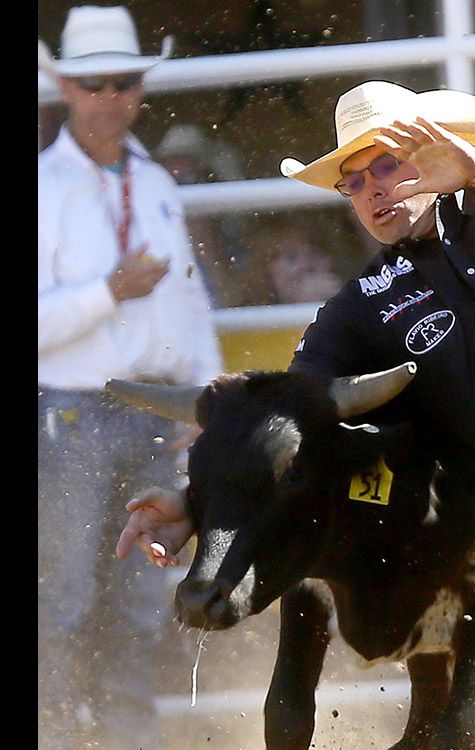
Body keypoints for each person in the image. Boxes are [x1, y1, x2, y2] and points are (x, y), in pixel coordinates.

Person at [116, 79, 475, 573]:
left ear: (433, 149)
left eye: (386, 165)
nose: (370, 191)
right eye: (351, 184)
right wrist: (195, 500)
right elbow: (288, 412)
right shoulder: (361, 306)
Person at [38, 6, 225, 748]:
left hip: (147, 418)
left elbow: (185, 298)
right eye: (95, 82)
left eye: (124, 81)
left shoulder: (151, 181)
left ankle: (123, 740)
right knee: (66, 597)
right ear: (68, 88)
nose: (110, 95)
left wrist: (205, 395)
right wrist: (108, 293)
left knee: (140, 603)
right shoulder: (44, 189)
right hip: (70, 416)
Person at [154, 123, 254, 307]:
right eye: (176, 178)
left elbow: (232, 303)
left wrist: (205, 243)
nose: (182, 170)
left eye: (192, 176)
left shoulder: (235, 242)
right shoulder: (151, 235)